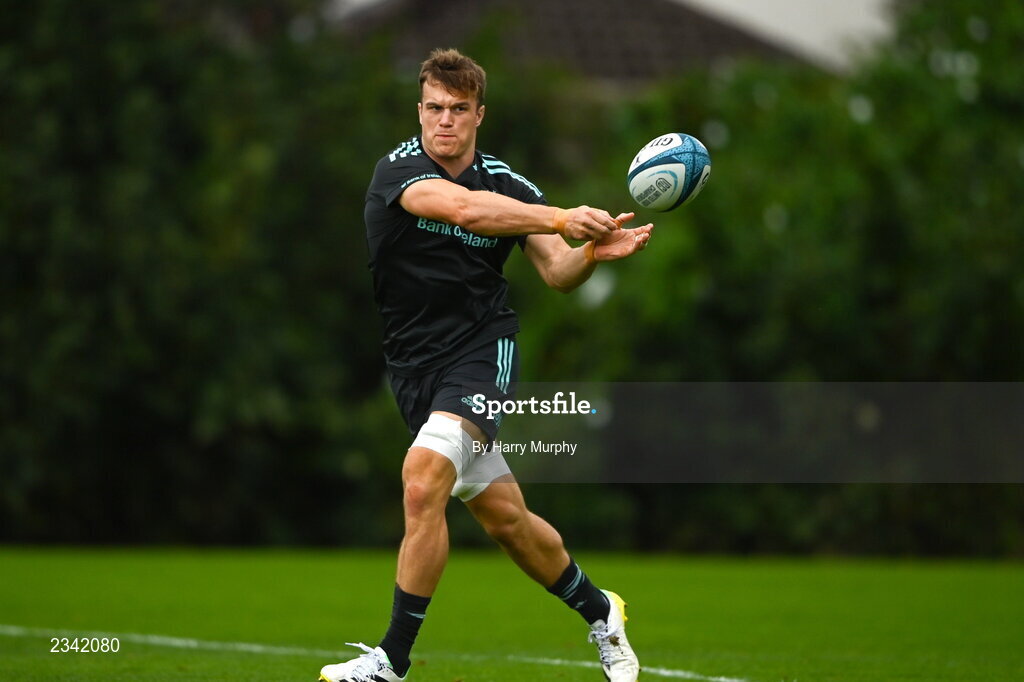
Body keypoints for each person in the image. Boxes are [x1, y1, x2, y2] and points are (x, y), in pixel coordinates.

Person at [319, 48, 652, 682]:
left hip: (483, 352)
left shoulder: (509, 184)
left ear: (479, 115)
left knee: (422, 480)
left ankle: (391, 659)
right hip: (414, 368)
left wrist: (592, 256)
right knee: (509, 522)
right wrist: (561, 215)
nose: (444, 122)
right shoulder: (399, 172)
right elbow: (464, 210)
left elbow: (557, 271)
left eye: (458, 110)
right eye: (433, 109)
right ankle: (601, 611)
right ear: (419, 110)